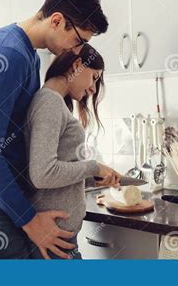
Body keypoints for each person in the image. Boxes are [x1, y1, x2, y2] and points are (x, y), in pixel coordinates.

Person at [0, 0, 115, 259]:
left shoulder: (26, 54)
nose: (77, 52)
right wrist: (30, 220)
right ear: (57, 20)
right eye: (79, 41)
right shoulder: (10, 55)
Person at [25, 44, 121, 259]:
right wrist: (93, 167)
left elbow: (57, 170)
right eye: (94, 77)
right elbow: (43, 174)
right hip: (55, 241)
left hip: (61, 238)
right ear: (77, 65)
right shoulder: (49, 102)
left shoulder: (53, 102)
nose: (93, 89)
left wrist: (93, 178)